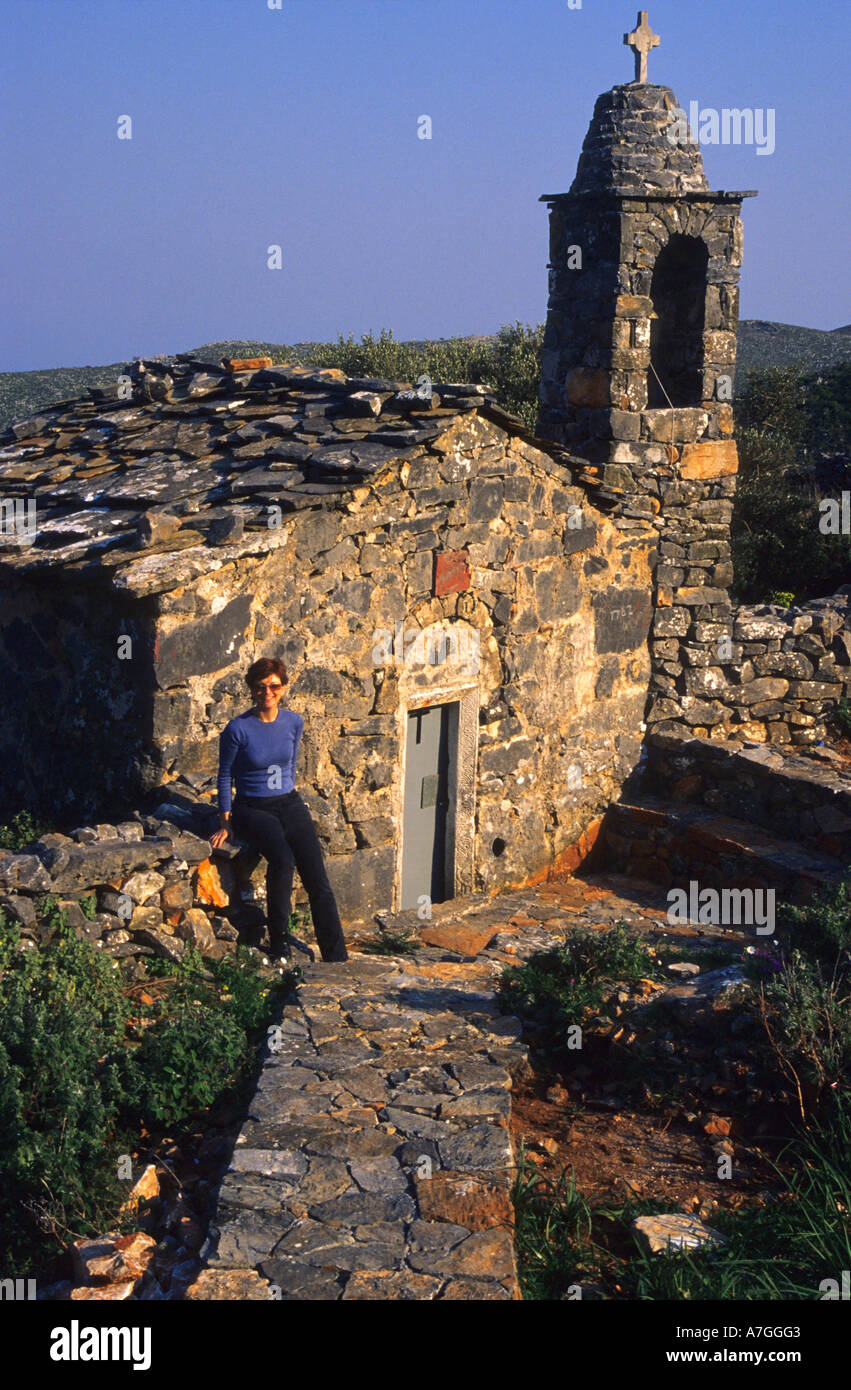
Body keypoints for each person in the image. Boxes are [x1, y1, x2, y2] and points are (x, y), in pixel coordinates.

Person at [209, 656, 348, 964]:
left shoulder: (293, 722)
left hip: (288, 801)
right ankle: (279, 943)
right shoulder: (237, 729)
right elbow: (224, 775)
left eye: (273, 686)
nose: (267, 692)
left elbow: (290, 764)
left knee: (316, 875)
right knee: (283, 861)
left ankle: (336, 955)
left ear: (283, 688)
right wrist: (225, 822)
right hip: (252, 807)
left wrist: (287, 796)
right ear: (252, 689)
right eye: (260, 687)